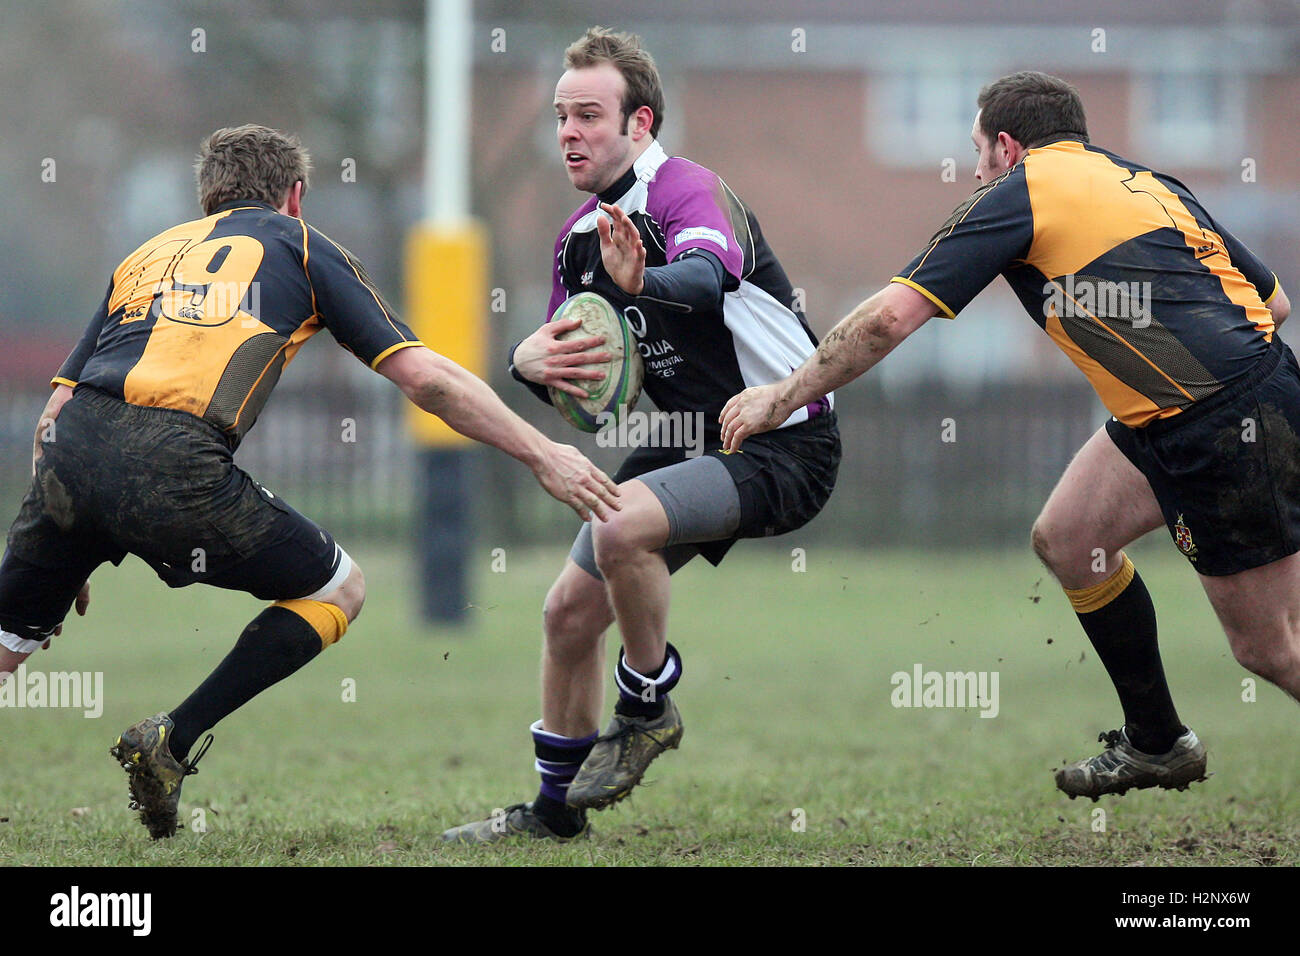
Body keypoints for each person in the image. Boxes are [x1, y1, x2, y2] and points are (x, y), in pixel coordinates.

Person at [0, 124, 620, 839]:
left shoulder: (146, 255)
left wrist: (67, 527)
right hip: (173, 461)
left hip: (72, 452)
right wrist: (543, 452)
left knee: (11, 641)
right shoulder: (298, 244)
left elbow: (58, 404)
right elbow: (424, 378)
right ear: (294, 197)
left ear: (209, 201)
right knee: (337, 589)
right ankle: (173, 739)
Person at [721, 70, 1293, 800]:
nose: (976, 171)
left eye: (978, 153)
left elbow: (889, 318)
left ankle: (1162, 740)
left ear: (1006, 145)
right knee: (1070, 534)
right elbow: (1272, 302)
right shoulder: (1147, 180)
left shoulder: (1018, 193)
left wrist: (784, 395)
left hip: (1220, 424)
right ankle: (1157, 743)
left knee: (1271, 649)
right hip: (1205, 403)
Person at [441, 27, 840, 844]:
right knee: (566, 614)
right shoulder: (576, 241)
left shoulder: (690, 192)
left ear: (641, 125)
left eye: (589, 115)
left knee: (620, 524)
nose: (568, 134)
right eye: (560, 116)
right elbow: (579, 393)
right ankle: (553, 817)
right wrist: (528, 364)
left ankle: (648, 704)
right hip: (690, 440)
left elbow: (703, 275)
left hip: (785, 442)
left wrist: (640, 281)